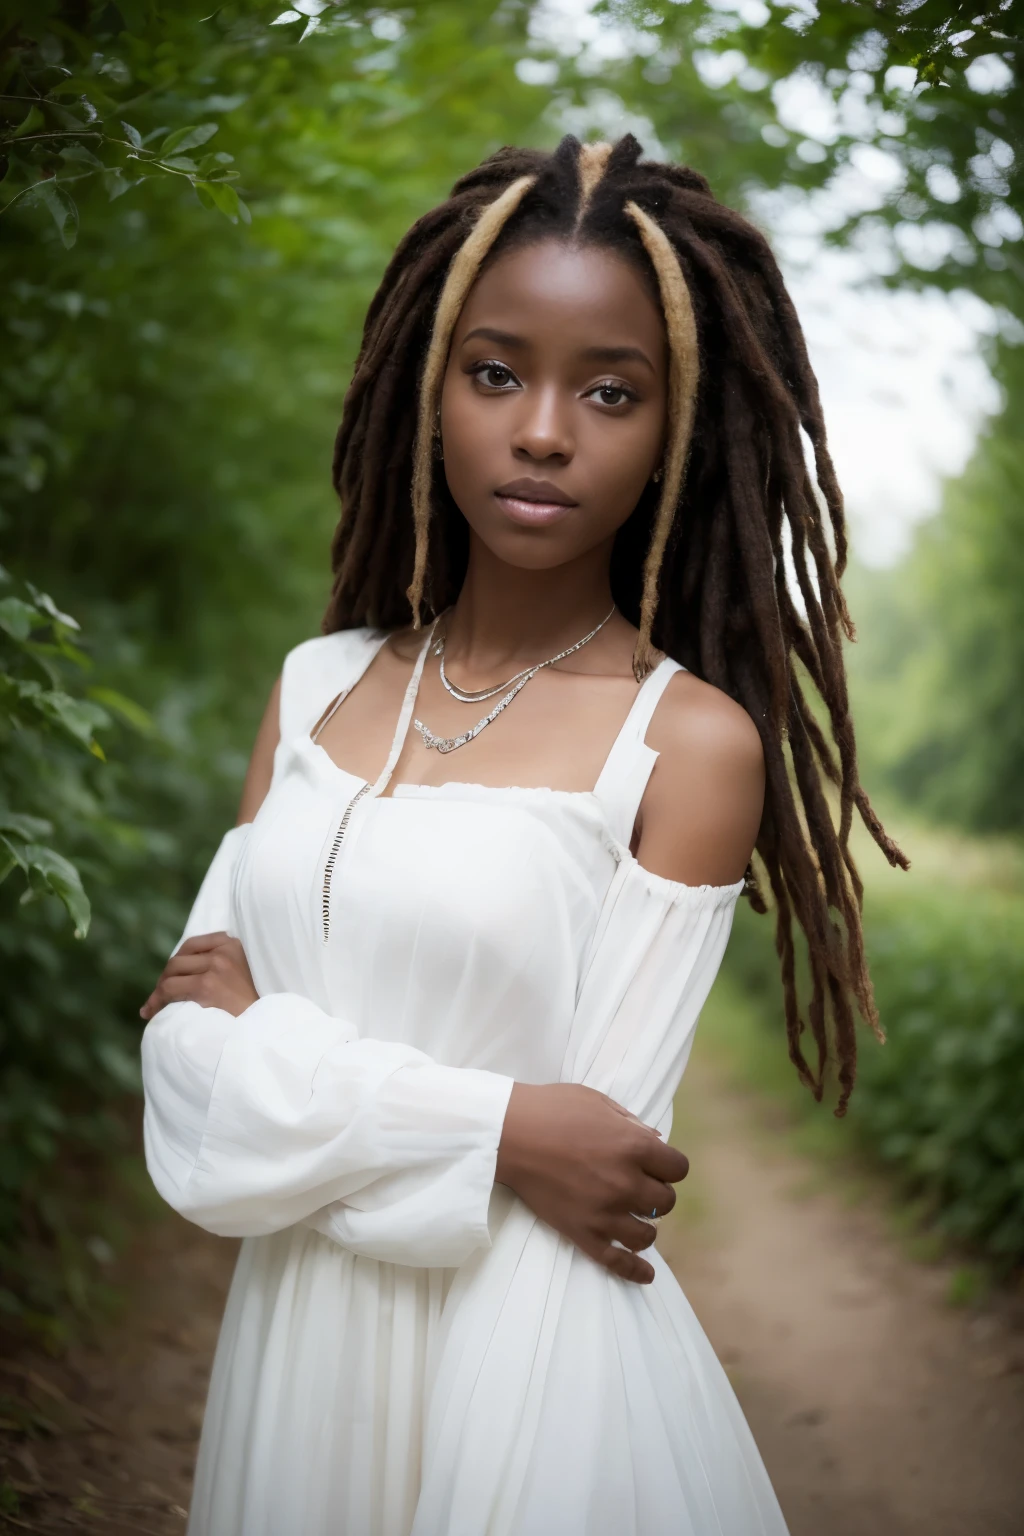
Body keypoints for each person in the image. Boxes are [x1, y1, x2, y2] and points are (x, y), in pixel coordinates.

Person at [139, 134, 905, 1536]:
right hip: (295, 1349)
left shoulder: (687, 745)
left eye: (610, 392)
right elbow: (186, 1082)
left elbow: (599, 1169)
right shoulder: (316, 689)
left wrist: (276, 1059)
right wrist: (497, 1127)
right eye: (497, 372)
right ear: (430, 388)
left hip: (530, 1364)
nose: (544, 428)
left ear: (676, 427)